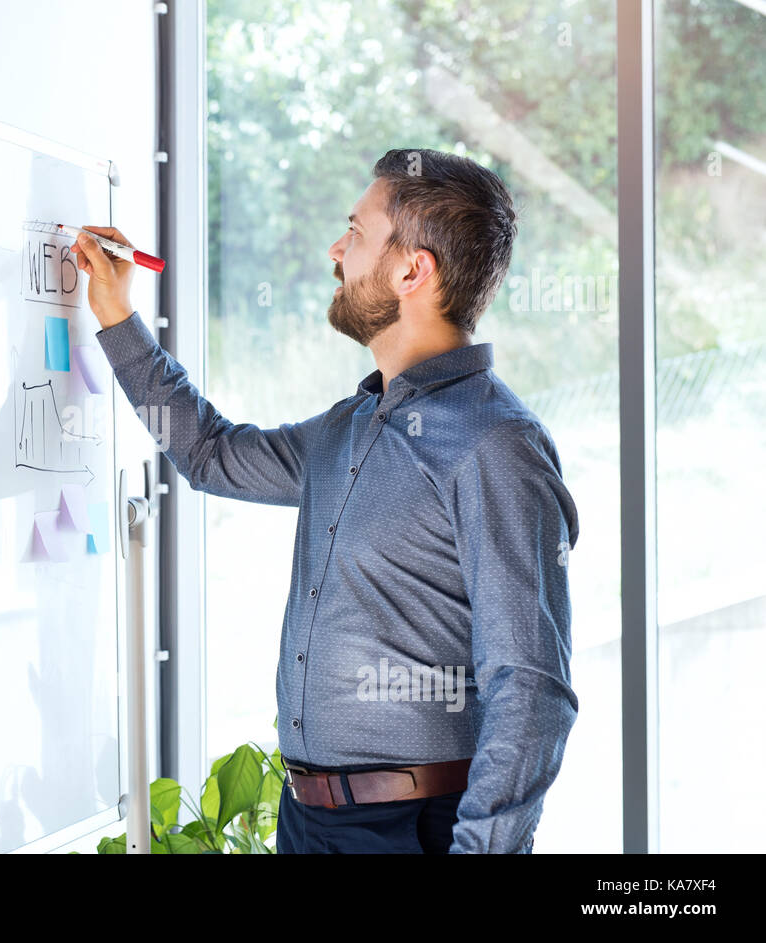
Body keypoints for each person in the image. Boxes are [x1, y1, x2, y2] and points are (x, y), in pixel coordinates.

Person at [73, 148, 580, 854]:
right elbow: (210, 454)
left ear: (413, 271)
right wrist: (117, 316)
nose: (336, 251)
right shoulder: (347, 428)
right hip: (307, 822)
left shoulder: (495, 444)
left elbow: (532, 687)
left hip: (412, 829)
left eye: (356, 232)